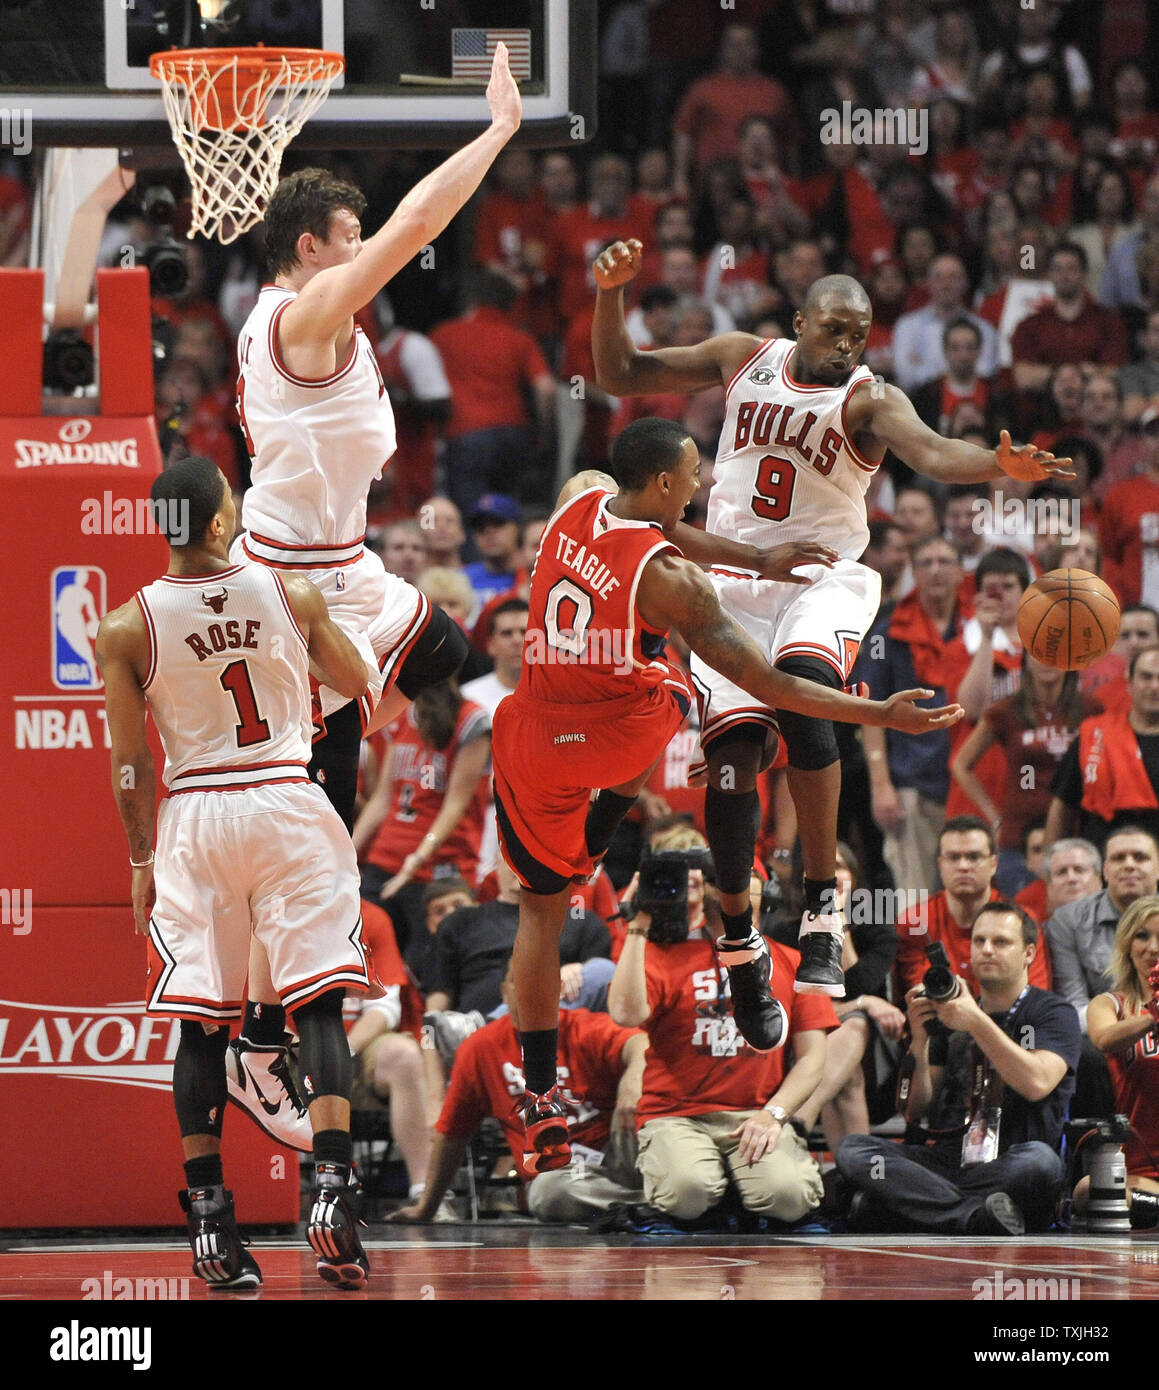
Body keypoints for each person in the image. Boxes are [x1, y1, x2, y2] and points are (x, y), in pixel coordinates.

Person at [591, 239, 1071, 1010]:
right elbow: (619, 373)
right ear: (797, 323)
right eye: (832, 328)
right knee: (732, 760)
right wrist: (609, 293)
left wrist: (994, 464)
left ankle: (820, 905)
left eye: (860, 331)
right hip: (733, 578)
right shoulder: (740, 357)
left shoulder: (870, 400)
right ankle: (740, 933)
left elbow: (937, 454)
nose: (847, 343)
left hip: (821, 577)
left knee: (807, 694)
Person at [491, 418, 965, 1175]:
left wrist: (754, 558)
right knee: (685, 698)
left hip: (529, 731)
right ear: (663, 486)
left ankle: (541, 1094)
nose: (705, 482)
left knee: (540, 912)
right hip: (610, 732)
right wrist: (879, 714)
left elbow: (656, 540)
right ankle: (611, 816)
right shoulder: (673, 583)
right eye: (693, 474)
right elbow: (774, 685)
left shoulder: (581, 498)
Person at [223, 47, 521, 1114]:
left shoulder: (303, 322)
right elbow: (415, 229)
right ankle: (259, 1035)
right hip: (289, 591)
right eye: (349, 242)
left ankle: (263, 1029)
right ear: (314, 248)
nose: (370, 258)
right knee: (318, 832)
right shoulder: (304, 320)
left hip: (342, 569)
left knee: (454, 658)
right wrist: (491, 133)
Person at [95, 456, 374, 1290]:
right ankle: (332, 1195)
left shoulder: (125, 625)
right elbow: (356, 681)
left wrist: (141, 859)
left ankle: (211, 1226)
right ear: (221, 523)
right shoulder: (291, 594)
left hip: (197, 815)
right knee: (317, 1004)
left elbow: (130, 765)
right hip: (288, 802)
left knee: (197, 1030)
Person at [608, 864, 835, 1227]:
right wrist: (637, 925)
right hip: (676, 1115)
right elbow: (624, 1014)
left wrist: (774, 1115)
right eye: (718, 876)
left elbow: (813, 1059)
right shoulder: (667, 953)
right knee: (687, 1192)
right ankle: (722, 1185)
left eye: (746, 873)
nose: (731, 881)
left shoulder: (792, 961)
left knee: (790, 1198)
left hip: (755, 1114)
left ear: (768, 892)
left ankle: (732, 1186)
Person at [837, 902, 1081, 1235]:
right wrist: (920, 1040)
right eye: (979, 941)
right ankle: (974, 1216)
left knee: (1040, 1163)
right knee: (856, 1151)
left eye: (1000, 942)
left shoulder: (1053, 1011)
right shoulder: (948, 1015)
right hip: (948, 1162)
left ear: (1028, 953)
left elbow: (1036, 1082)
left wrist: (976, 1021)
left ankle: (907, 1206)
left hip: (1012, 1163)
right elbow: (917, 1107)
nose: (987, 950)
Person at [389, 961, 648, 1226]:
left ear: (557, 990)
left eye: (541, 983)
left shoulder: (584, 1027)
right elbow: (452, 1135)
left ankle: (654, 1201)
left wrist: (633, 1081)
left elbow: (640, 1043)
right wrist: (426, 1208)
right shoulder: (481, 1048)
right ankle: (652, 1206)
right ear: (505, 991)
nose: (530, 990)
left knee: (646, 1102)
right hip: (559, 1175)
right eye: (519, 981)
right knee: (548, 1194)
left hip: (618, 1156)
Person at [1082, 895, 1159, 1226]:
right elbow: (1103, 1038)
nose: (1153, 947)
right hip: (1136, 1167)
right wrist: (1151, 1015)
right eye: (1143, 935)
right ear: (1127, 944)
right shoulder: (1110, 1003)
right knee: (1088, 1191)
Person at [1044, 827, 1159, 1030]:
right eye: (1118, 858)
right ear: (1105, 870)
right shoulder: (1068, 920)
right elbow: (1074, 1004)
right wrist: (1131, 1031)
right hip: (1100, 1041)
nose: (1129, 865)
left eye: (1140, 857)